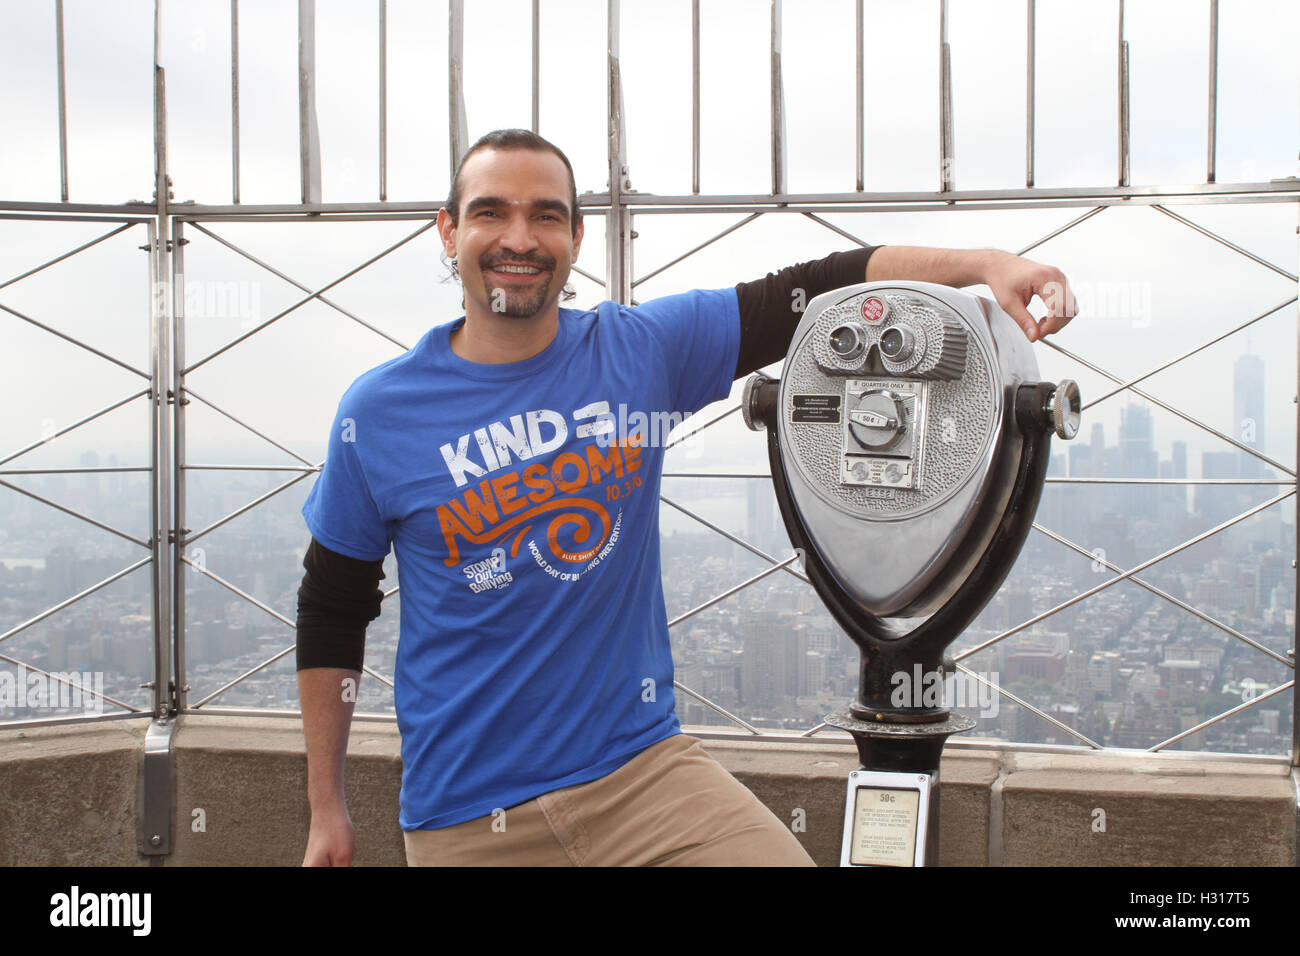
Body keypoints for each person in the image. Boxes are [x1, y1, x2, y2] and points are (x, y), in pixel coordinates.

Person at [296, 129, 1076, 867]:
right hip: (468, 814)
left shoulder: (640, 352)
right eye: (490, 212)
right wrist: (325, 806)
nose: (520, 239)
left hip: (643, 776)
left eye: (547, 216)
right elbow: (333, 608)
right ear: (447, 230)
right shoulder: (382, 413)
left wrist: (982, 263)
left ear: (577, 236)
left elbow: (810, 288)